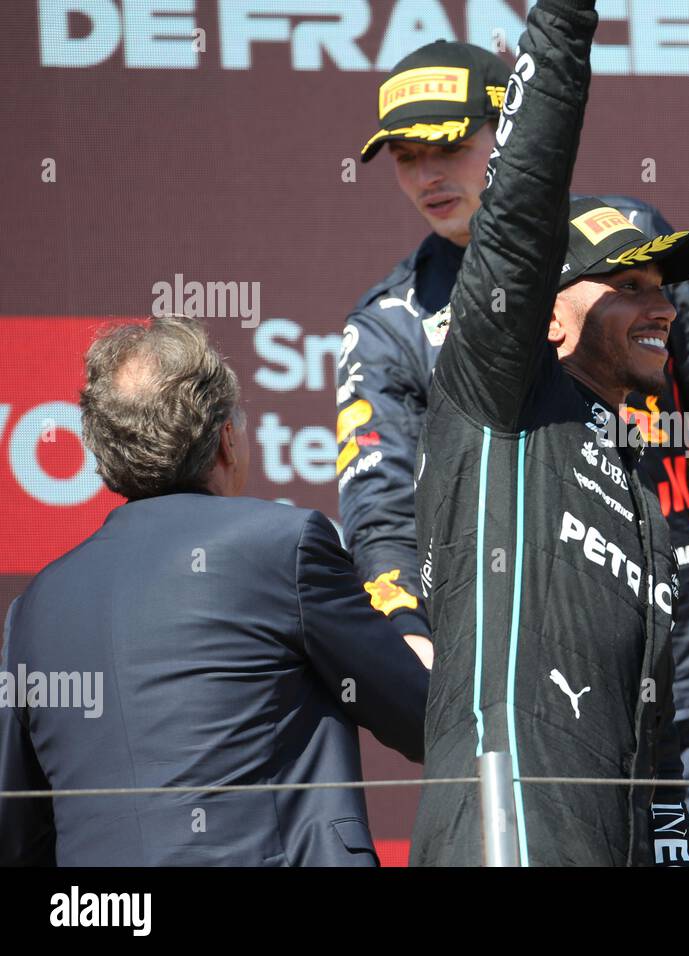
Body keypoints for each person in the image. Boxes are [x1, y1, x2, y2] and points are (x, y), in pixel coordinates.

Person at [339, 41, 689, 865]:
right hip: (545, 699)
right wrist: (409, 626)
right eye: (406, 159)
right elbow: (379, 510)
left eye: (449, 145)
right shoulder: (390, 325)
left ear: (509, 133)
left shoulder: (627, 245)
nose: (427, 177)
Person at [391, 0, 689, 867]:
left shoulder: (639, 472)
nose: (659, 308)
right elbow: (520, 215)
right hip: (506, 832)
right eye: (624, 284)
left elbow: (657, 747)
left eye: (660, 286)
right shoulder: (498, 395)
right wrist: (564, 25)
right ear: (546, 318)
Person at [0, 315, 428, 866]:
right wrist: (412, 642)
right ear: (226, 436)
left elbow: (16, 831)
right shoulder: (284, 545)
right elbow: (419, 717)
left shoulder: (35, 609)